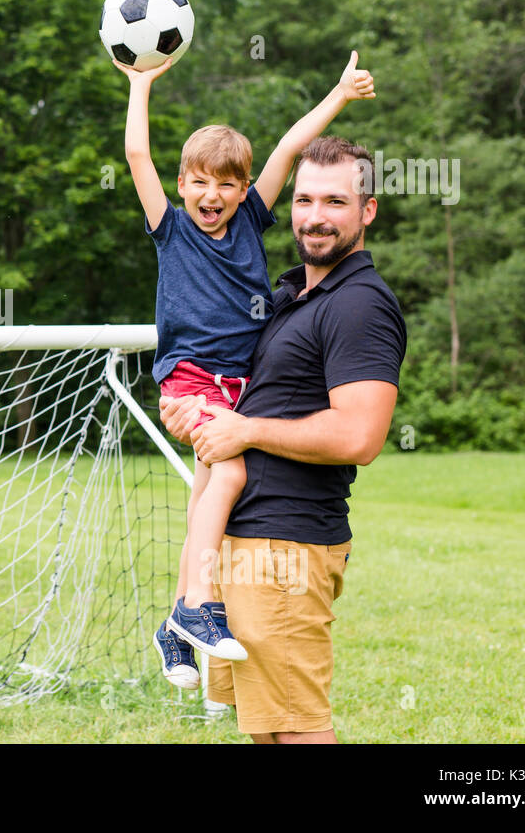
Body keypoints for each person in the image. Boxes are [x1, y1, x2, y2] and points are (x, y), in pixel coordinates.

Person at [116, 51, 376, 689]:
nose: (214, 196)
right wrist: (140, 85)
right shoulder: (170, 229)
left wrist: (339, 93)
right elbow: (136, 158)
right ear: (184, 185)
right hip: (193, 379)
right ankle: (198, 605)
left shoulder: (250, 223)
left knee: (207, 495)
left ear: (244, 188)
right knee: (229, 471)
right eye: (201, 183)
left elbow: (291, 145)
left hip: (241, 385)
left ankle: (172, 627)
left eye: (229, 184)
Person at [158, 135, 407, 742]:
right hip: (244, 543)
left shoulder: (359, 305)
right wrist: (190, 411)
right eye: (304, 200)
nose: (315, 217)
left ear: (367, 210)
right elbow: (234, 390)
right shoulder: (289, 296)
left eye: (335, 202)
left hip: (288, 545)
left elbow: (360, 435)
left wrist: (244, 429)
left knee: (296, 730)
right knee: (266, 730)